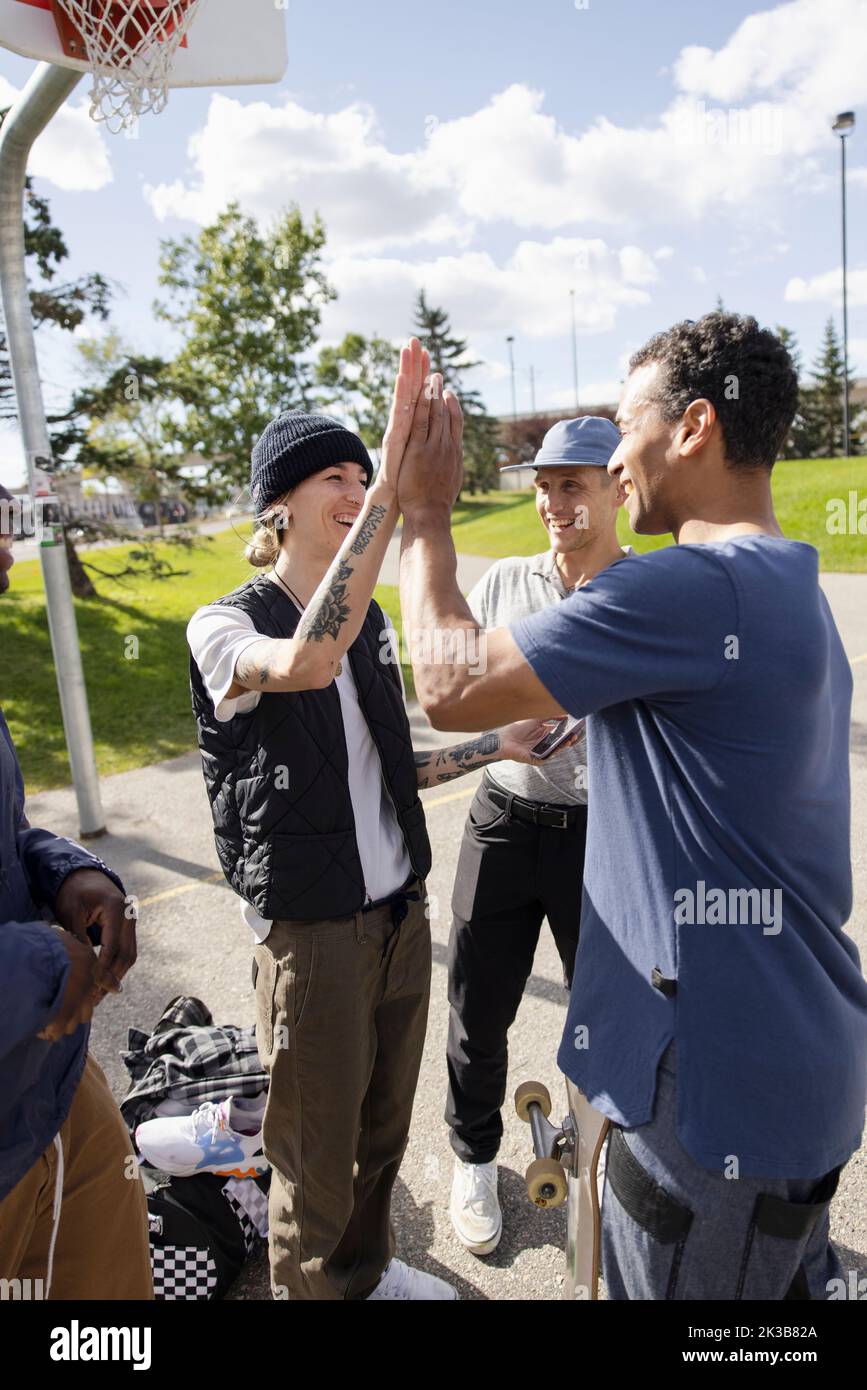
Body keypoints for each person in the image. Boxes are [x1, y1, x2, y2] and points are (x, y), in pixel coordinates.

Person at [396, 313, 867, 1300]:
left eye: (625, 427)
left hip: (717, 1092)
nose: (614, 465)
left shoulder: (696, 584)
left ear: (695, 426)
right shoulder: (785, 579)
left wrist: (426, 516)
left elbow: (444, 685)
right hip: (788, 1060)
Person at [186, 340, 563, 1302]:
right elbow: (305, 660)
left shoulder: (373, 629)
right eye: (334, 476)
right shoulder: (223, 626)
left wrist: (497, 747)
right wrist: (398, 493)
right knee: (312, 1160)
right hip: (312, 938)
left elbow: (395, 767)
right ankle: (316, 1287)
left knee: (380, 1134)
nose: (357, 487)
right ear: (278, 504)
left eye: (365, 472)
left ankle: (366, 1272)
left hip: (398, 919)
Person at [447, 417, 629, 1255]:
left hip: (604, 838)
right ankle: (474, 1156)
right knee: (478, 1008)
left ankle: (602, 1165)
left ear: (617, 488)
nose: (553, 500)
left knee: (603, 1018)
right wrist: (505, 719)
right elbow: (459, 694)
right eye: (544, 484)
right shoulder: (504, 583)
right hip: (504, 821)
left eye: (573, 484)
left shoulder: (646, 592)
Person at [0, 483, 151, 1301]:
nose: (9, 555)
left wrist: (68, 873)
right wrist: (36, 963)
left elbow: (6, 836)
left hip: (51, 1085)